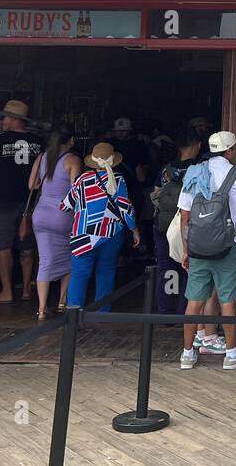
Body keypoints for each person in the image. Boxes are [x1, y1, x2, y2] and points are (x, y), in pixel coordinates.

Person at [178, 130, 236, 371]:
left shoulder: (195, 172)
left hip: (198, 247)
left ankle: (187, 354)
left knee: (194, 300)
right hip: (228, 245)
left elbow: (184, 216)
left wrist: (186, 249)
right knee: (227, 300)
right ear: (230, 150)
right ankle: (231, 355)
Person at [0, 99, 42, 304]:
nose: (2, 121)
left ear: (14, 119)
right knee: (27, 245)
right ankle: (27, 290)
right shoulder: (39, 142)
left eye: (4, 117)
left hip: (3, 200)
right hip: (30, 201)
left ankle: (6, 292)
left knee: (2, 245)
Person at [60, 142, 141, 311]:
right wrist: (134, 229)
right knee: (106, 271)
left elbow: (66, 205)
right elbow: (125, 207)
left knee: (79, 274)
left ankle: (73, 313)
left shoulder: (81, 179)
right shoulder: (117, 180)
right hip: (111, 233)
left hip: (82, 234)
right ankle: (102, 311)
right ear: (113, 161)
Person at [29, 123, 81, 320]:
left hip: (40, 214)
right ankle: (62, 300)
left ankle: (41, 308)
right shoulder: (73, 160)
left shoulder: (42, 158)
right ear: (72, 141)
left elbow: (32, 185)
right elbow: (75, 190)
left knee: (45, 260)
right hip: (62, 213)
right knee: (69, 257)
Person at [151, 128, 203, 316]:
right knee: (191, 268)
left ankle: (166, 311)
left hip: (164, 224)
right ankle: (185, 310)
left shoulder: (166, 170)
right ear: (197, 145)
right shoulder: (199, 169)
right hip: (190, 224)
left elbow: (156, 194)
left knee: (166, 266)